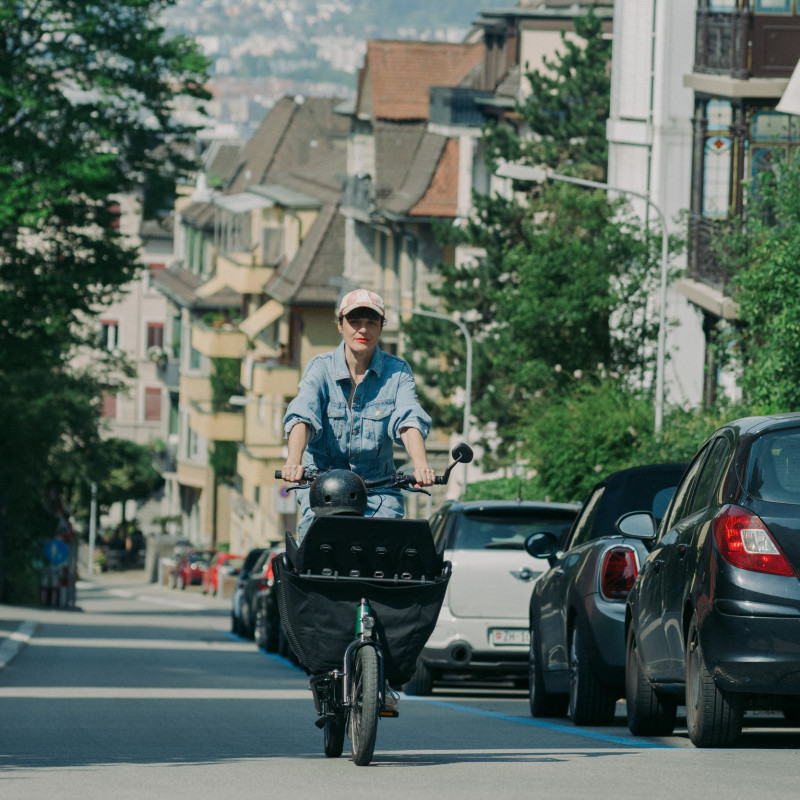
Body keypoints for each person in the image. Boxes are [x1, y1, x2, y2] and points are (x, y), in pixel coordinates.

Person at [281, 288, 436, 542]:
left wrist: (421, 466)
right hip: (322, 485)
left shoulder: (397, 372)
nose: (362, 330)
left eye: (371, 323)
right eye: (354, 321)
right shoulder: (320, 368)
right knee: (316, 543)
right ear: (340, 325)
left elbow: (409, 420)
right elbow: (302, 415)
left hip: (378, 488)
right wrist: (293, 461)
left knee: (386, 546)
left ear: (380, 329)